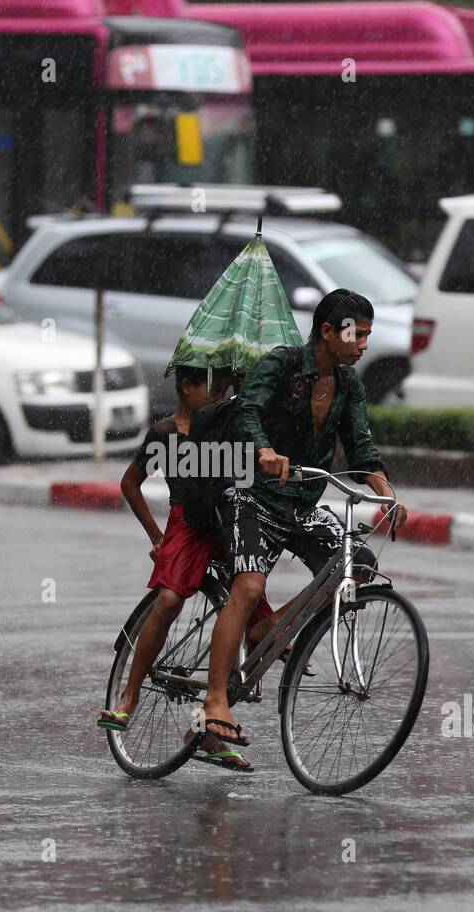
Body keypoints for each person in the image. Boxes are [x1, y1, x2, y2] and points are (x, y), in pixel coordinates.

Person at [199, 289, 410, 753]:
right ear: (328, 331)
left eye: (369, 336)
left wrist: (385, 491)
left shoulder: (349, 384)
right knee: (249, 587)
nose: (364, 345)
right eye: (358, 334)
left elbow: (361, 447)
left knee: (359, 565)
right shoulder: (282, 363)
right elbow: (248, 411)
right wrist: (264, 450)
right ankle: (215, 703)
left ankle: (269, 631)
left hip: (301, 504)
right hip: (253, 494)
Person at [99, 365, 272, 772]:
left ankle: (210, 729)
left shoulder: (230, 425)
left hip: (228, 520)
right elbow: (130, 484)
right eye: (211, 389)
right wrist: (156, 537)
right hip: (187, 522)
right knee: (171, 598)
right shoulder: (165, 434)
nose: (218, 396)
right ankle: (129, 697)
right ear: (185, 387)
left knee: (245, 606)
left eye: (224, 388)